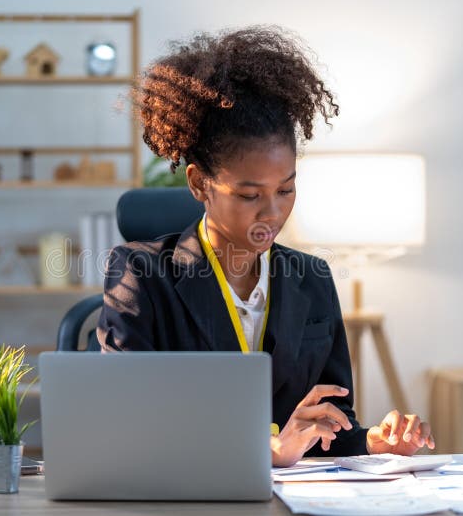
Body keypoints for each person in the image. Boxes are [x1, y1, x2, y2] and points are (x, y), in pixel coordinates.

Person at [96, 26, 434, 467]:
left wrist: (374, 442)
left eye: (286, 190)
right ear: (199, 183)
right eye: (249, 195)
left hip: (296, 496)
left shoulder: (312, 278)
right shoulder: (140, 274)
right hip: (189, 492)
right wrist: (265, 451)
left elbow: (329, 426)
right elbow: (128, 422)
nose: (272, 213)